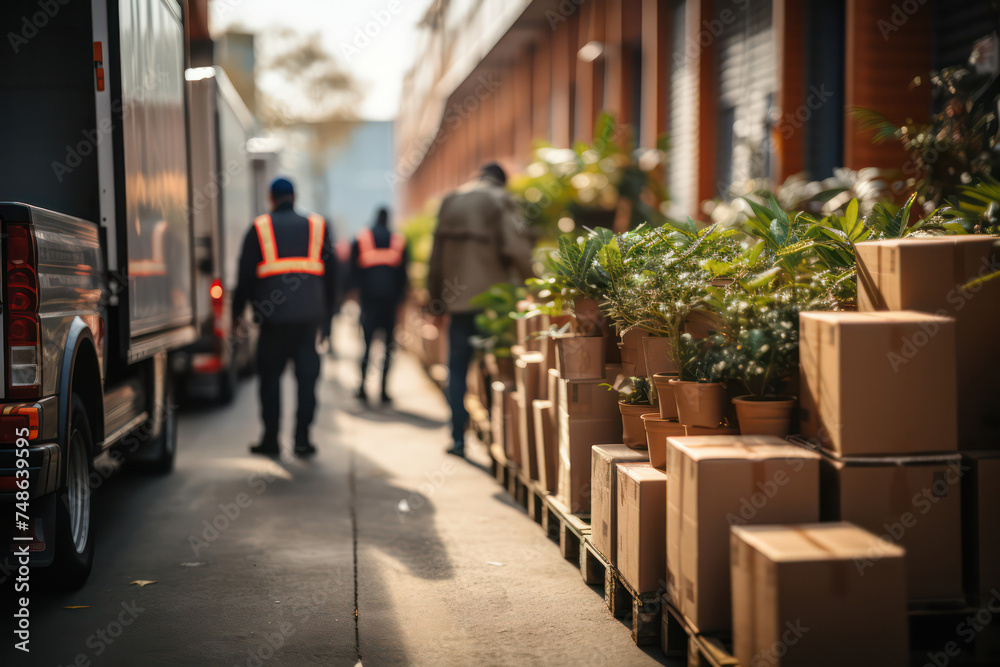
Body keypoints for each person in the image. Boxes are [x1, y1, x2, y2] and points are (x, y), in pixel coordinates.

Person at [427, 163, 533, 458]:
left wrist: (435, 303)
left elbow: (435, 258)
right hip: (493, 303)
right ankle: (496, 437)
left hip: (458, 304)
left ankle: (457, 438)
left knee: (457, 369)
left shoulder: (450, 201)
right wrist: (535, 285)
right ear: (501, 181)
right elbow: (518, 249)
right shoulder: (500, 199)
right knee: (496, 368)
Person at [232, 177, 337, 457]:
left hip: (273, 322)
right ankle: (302, 440)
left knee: (270, 382)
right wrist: (328, 321)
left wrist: (236, 315)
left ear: (271, 198)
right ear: (295, 196)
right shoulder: (318, 226)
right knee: (307, 381)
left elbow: (244, 277)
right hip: (308, 322)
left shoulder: (259, 228)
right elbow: (332, 278)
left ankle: (271, 441)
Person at [350, 206, 409, 405]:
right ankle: (383, 391)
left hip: (369, 304)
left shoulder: (362, 239)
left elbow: (353, 273)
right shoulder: (398, 241)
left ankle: (362, 388)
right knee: (388, 348)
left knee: (366, 346)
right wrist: (401, 302)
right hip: (390, 305)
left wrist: (354, 296)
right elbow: (404, 277)